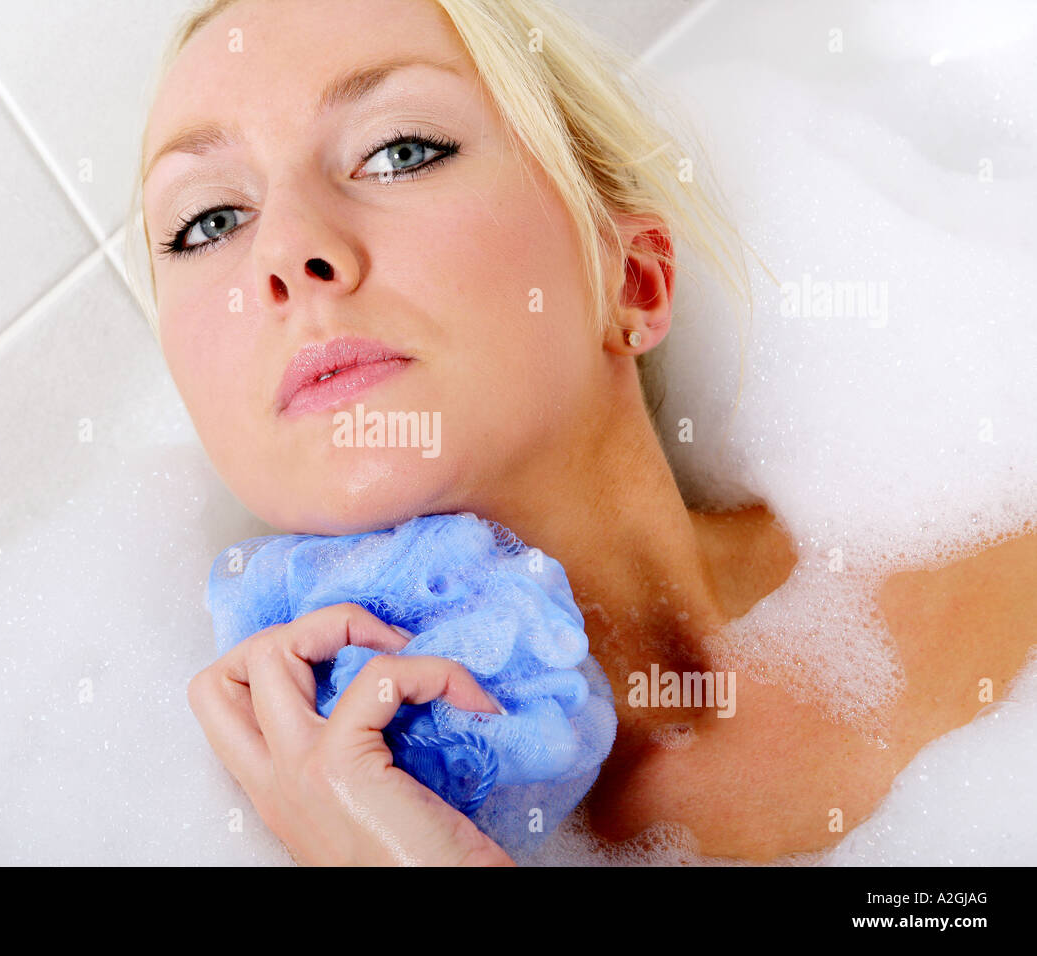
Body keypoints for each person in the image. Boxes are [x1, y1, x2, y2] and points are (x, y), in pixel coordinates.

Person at [134, 0, 1037, 865]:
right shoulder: (193, 825)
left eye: (398, 150)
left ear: (631, 278)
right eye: (208, 221)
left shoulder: (998, 563)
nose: (286, 250)